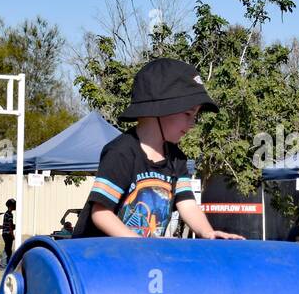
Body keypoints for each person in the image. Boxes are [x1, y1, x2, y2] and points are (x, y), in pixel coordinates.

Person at [71, 58, 243, 240]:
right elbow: (101, 214)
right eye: (188, 113)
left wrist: (208, 232)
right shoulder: (120, 153)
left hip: (140, 258)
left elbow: (188, 204)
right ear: (159, 109)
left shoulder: (177, 159)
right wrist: (140, 244)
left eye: (196, 115)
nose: (192, 123)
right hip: (95, 260)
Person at [1, 198, 16, 265]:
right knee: (7, 249)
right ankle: (3, 265)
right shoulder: (9, 214)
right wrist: (12, 234)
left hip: (5, 233)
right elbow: (10, 225)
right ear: (11, 206)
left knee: (8, 249)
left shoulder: (6, 214)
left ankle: (7, 264)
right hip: (8, 234)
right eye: (14, 205)